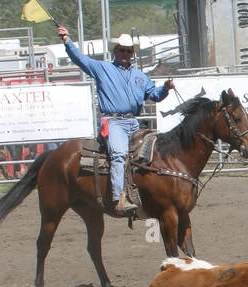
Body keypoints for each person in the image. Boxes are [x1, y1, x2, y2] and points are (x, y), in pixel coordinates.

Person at [59, 26, 173, 213]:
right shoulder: (102, 68)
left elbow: (154, 94)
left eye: (128, 51)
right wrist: (67, 41)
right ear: (115, 51)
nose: (125, 54)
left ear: (132, 53)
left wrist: (165, 89)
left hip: (134, 122)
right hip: (113, 122)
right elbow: (80, 59)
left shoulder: (140, 77)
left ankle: (150, 193)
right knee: (119, 154)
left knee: (153, 151)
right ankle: (118, 197)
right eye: (121, 50)